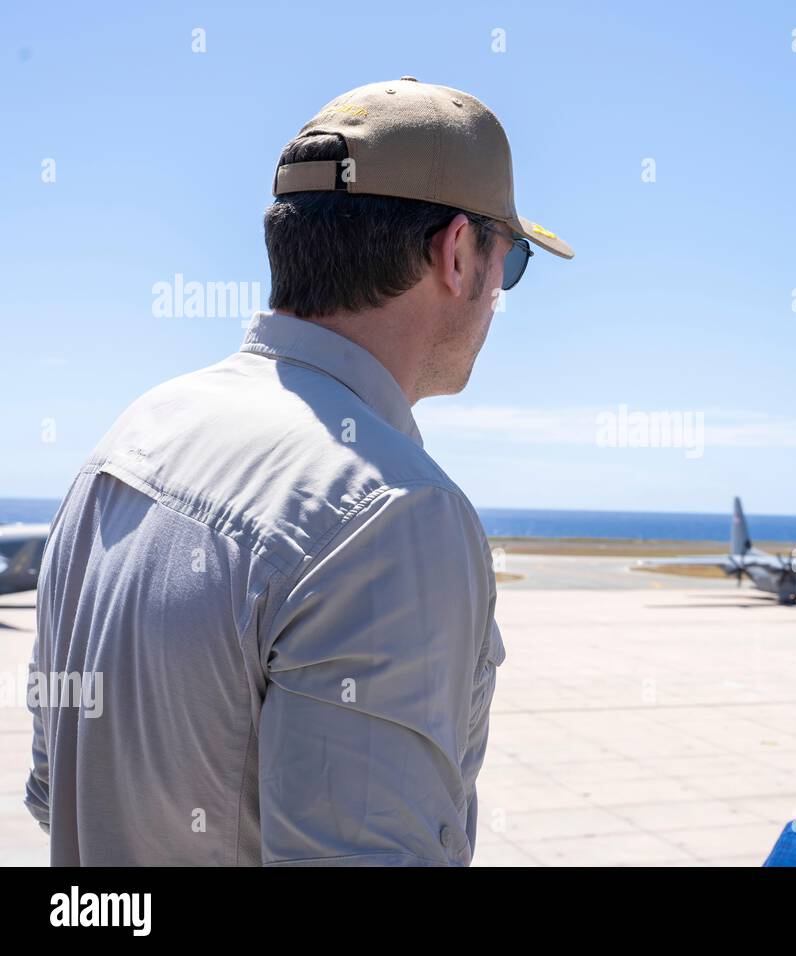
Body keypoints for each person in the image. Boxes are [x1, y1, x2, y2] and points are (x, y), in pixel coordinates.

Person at [24, 78, 573, 865]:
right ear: (457, 253)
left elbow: (61, 796)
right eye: (510, 262)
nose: (499, 294)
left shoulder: (129, 439)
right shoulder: (392, 511)